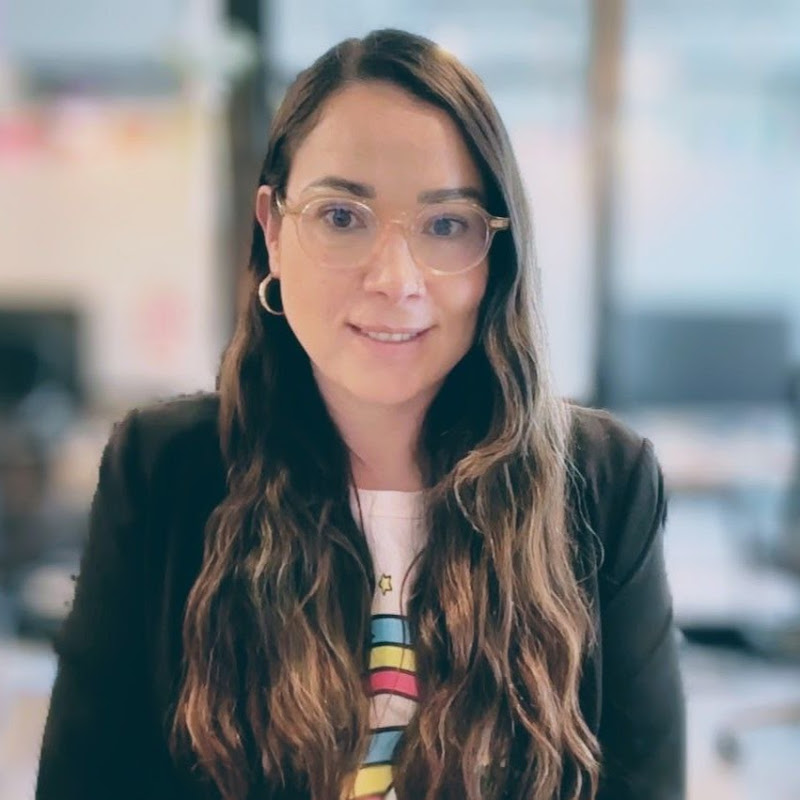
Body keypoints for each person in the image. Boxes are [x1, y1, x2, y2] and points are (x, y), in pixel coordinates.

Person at [35, 29, 685, 800]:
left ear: (495, 256)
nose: (394, 279)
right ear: (274, 231)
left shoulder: (604, 483)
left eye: (446, 225)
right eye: (343, 217)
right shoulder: (164, 471)